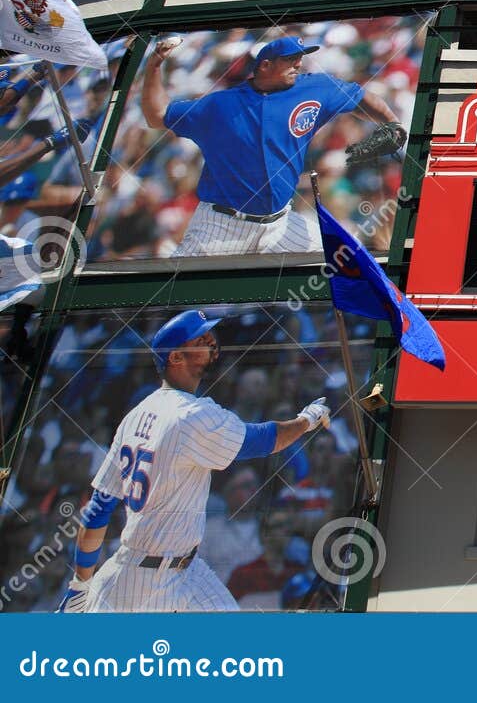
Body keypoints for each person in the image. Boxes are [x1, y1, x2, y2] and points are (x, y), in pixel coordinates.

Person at [56, 309, 329, 612]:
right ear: (175, 357)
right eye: (200, 339)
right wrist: (307, 420)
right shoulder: (190, 414)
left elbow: (99, 509)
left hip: (188, 570)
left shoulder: (135, 416)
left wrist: (81, 582)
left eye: (210, 336)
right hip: (138, 580)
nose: (212, 342)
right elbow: (263, 440)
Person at [138, 36, 403, 256]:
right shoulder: (219, 105)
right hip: (222, 225)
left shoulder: (315, 88)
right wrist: (153, 67)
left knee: (350, 261)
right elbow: (157, 115)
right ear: (265, 66)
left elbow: (360, 98)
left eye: (300, 57)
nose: (298, 63)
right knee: (177, 293)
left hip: (280, 224)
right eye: (289, 59)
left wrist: (392, 123)